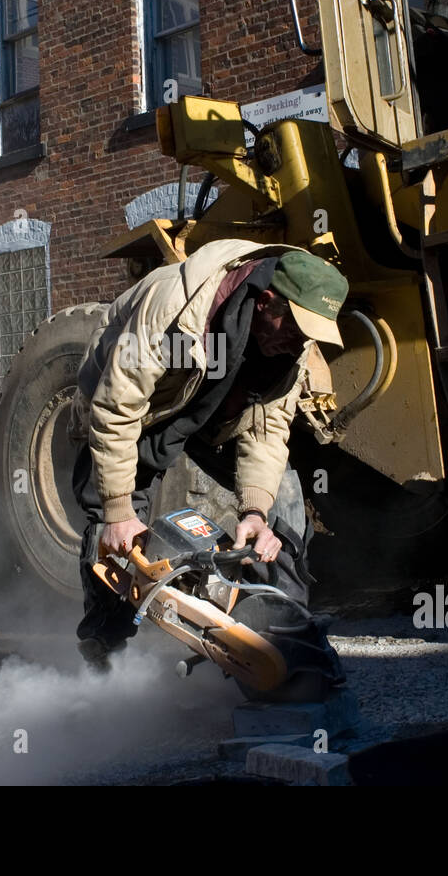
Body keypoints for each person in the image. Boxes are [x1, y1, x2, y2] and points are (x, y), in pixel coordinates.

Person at [69, 238, 349, 689]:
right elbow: (117, 408)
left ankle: (283, 644)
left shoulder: (286, 350)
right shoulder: (174, 314)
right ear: (266, 302)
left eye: (309, 335)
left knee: (282, 513)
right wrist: (119, 510)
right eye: (295, 328)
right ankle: (103, 654)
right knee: (116, 537)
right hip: (144, 407)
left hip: (210, 409)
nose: (301, 342)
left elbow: (266, 431)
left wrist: (256, 512)